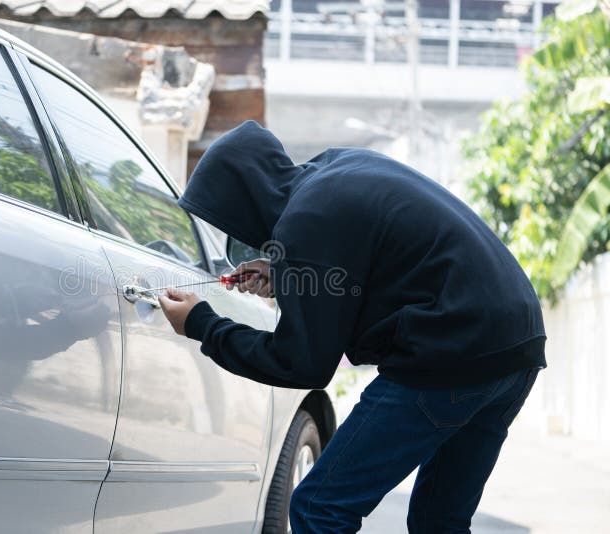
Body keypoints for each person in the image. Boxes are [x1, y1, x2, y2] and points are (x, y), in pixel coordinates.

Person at [158, 120, 546, 533]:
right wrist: (286, 271)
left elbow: (300, 364)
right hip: (517, 342)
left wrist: (201, 324)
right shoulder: (337, 168)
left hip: (454, 347)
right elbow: (366, 255)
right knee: (440, 521)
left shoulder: (305, 223)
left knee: (319, 507)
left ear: (243, 201)